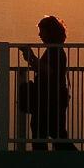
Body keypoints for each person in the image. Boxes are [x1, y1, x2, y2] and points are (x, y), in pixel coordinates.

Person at [19, 15, 77, 151]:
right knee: (55, 133)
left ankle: (45, 162)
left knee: (47, 133)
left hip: (51, 99)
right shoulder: (55, 50)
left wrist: (32, 57)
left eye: (42, 31)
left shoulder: (55, 51)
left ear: (50, 32)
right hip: (51, 98)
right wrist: (31, 59)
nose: (40, 35)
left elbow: (48, 71)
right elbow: (44, 69)